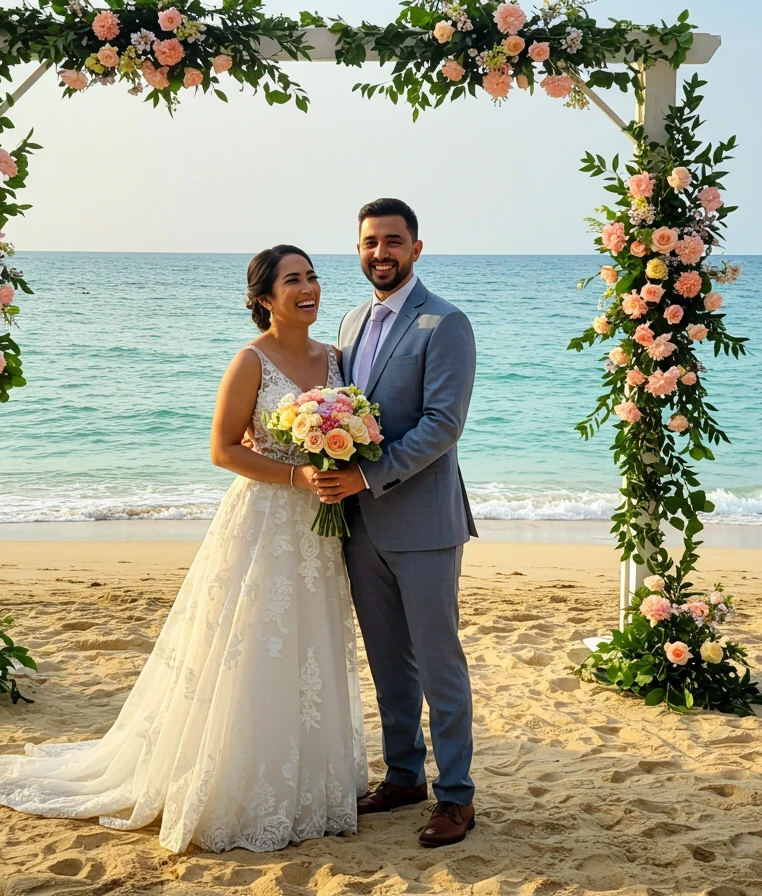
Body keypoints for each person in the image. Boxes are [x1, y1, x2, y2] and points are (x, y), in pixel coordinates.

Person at [0, 246, 367, 853]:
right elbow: (223, 450)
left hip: (319, 525)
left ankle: (308, 784)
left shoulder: (337, 358)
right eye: (293, 279)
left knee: (308, 649)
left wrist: (341, 458)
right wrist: (296, 476)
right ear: (265, 297)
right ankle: (235, 782)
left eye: (313, 276)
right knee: (254, 644)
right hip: (266, 519)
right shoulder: (251, 362)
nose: (308, 287)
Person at [316, 198, 479, 847]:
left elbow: (443, 424)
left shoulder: (446, 323)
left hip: (424, 524)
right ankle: (405, 775)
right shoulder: (352, 320)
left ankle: (457, 797)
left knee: (439, 664)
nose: (379, 252)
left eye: (391, 241)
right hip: (361, 526)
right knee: (388, 661)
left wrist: (364, 475)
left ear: (415, 247)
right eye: (368, 242)